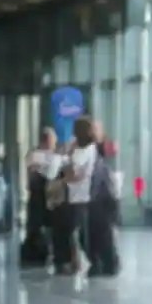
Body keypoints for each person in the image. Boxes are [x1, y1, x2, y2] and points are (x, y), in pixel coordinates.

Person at [53, 118, 99, 276]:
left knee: (77, 231)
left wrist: (64, 179)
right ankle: (70, 261)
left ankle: (85, 260)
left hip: (81, 195)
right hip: (69, 194)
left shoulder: (89, 149)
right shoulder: (74, 145)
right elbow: (66, 161)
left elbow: (77, 173)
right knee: (66, 229)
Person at [86, 120, 121, 277]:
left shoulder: (104, 148)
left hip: (104, 195)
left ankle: (108, 262)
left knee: (104, 230)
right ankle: (98, 261)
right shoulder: (86, 148)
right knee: (93, 232)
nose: (94, 133)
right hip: (94, 196)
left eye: (96, 130)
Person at [21, 128, 58, 267]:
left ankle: (43, 250)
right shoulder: (36, 155)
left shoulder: (43, 156)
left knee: (43, 225)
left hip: (46, 197)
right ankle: (36, 251)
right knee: (36, 225)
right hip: (39, 197)